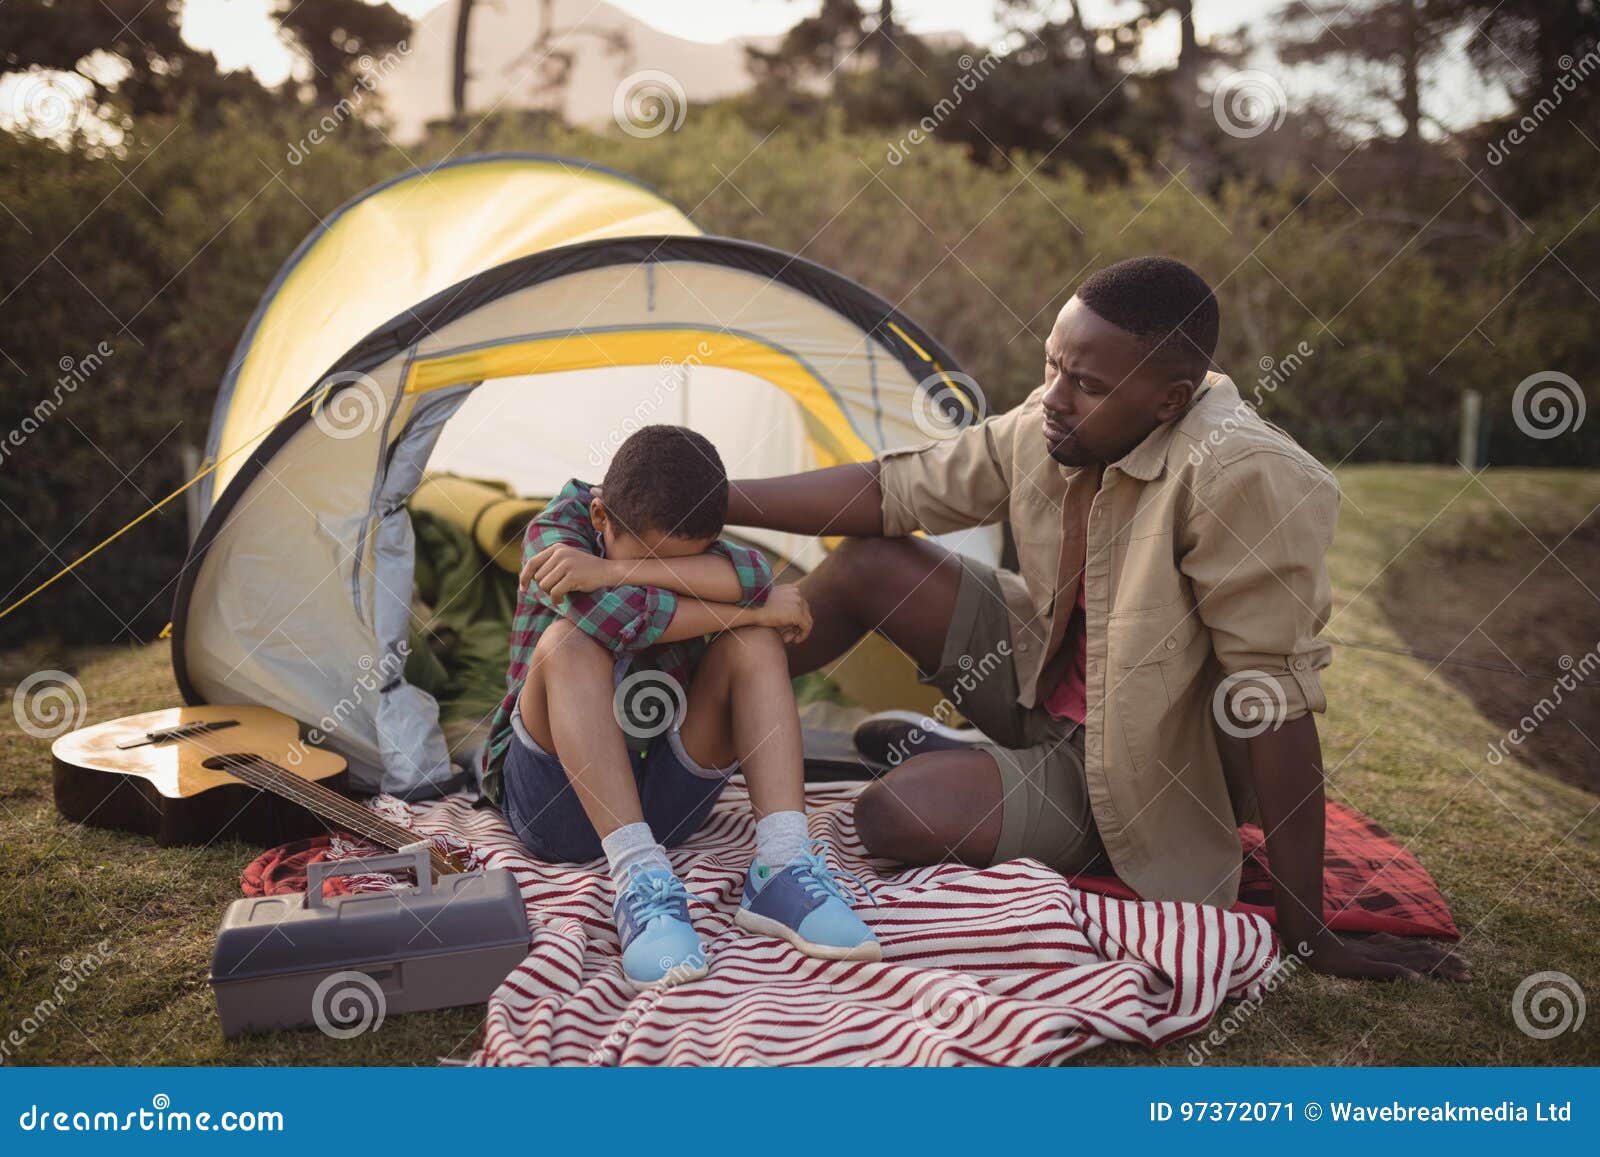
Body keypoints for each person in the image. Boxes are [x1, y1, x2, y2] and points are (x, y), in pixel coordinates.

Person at [726, 256, 1468, 983]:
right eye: (1052, 365)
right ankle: (701, 735)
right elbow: (895, 491)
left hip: (1131, 771)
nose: (1053, 395)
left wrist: (1311, 933)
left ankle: (988, 769)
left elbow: (1273, 701)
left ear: (1170, 400)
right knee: (868, 564)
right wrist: (712, 498)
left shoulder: (1241, 475)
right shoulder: (1059, 420)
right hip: (1033, 679)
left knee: (891, 816)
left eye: (1085, 383)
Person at [480, 425, 879, 990]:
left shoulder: (678, 534)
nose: (662, 569)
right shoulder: (558, 531)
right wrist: (751, 611)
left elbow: (753, 575)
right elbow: (613, 618)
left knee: (755, 648)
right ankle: (639, 880)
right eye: (644, 556)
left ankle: (782, 867)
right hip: (555, 806)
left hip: (669, 801)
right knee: (569, 643)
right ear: (600, 519)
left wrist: (620, 569)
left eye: (681, 564)